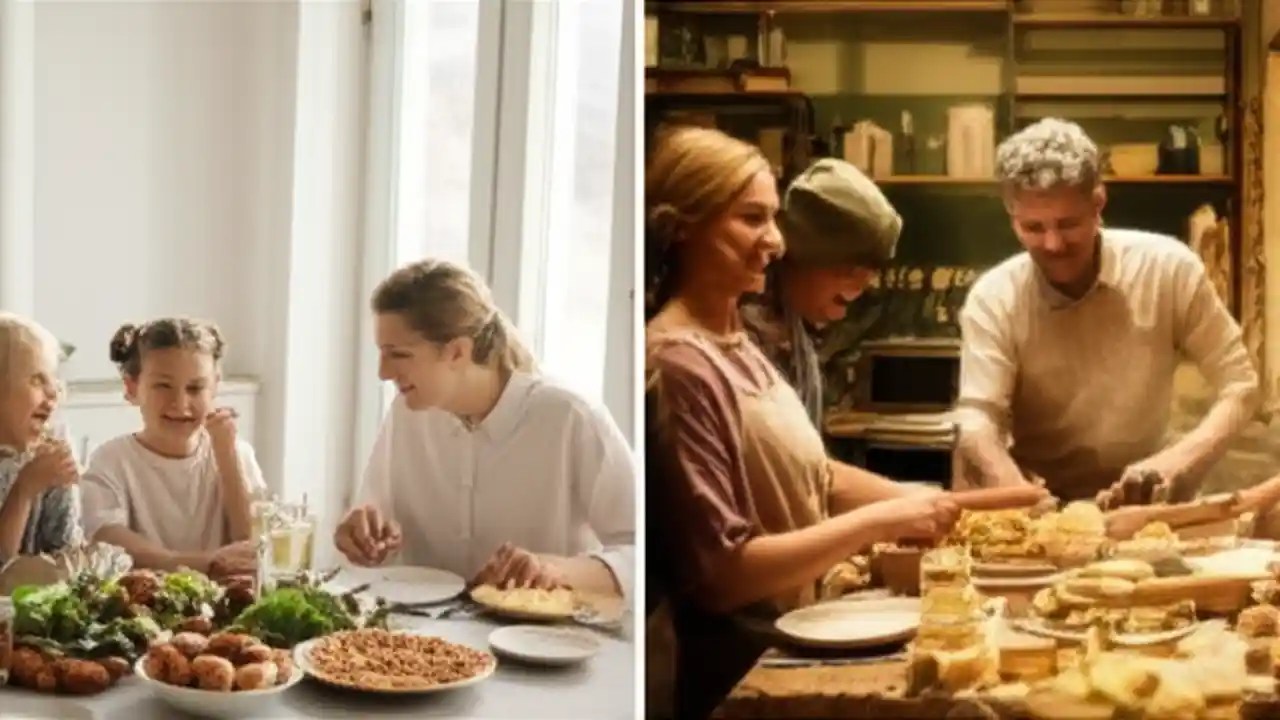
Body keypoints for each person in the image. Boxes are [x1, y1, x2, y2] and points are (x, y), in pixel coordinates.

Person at [645, 126, 988, 720]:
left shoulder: (738, 344)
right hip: (734, 672)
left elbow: (814, 478)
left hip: (794, 637)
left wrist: (919, 503)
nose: (775, 242)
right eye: (751, 219)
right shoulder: (678, 363)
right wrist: (883, 519)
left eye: (774, 219)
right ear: (683, 227)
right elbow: (723, 575)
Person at [955, 117, 1260, 507]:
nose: (1052, 243)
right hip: (1040, 499)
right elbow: (978, 420)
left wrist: (1180, 460)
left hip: (1151, 502)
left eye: (1068, 224)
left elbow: (1241, 385)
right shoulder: (994, 297)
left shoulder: (1168, 269)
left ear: (1098, 203)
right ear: (1011, 216)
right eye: (1033, 227)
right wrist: (1020, 498)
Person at [332, 259, 635, 600]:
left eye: (398, 354)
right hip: (419, 640)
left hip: (544, 642)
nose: (383, 373)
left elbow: (643, 552)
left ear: (458, 352)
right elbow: (375, 523)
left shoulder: (570, 417)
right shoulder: (406, 415)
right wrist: (362, 537)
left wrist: (557, 571)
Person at [81, 318, 263, 577]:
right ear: (132, 388)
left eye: (196, 388)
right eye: (163, 386)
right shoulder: (111, 460)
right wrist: (205, 563)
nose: (180, 403)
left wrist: (227, 457)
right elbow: (107, 537)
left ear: (214, 387)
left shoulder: (237, 454)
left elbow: (253, 546)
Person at [740, 157, 901, 428]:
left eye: (873, 270)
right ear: (804, 256)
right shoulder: (755, 339)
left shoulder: (796, 324)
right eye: (849, 270)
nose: (864, 285)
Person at [0, 313, 80, 562]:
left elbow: (63, 553)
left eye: (54, 382)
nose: (53, 394)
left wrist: (65, 487)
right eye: (37, 380)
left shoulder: (43, 457)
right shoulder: (31, 474)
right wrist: (24, 491)